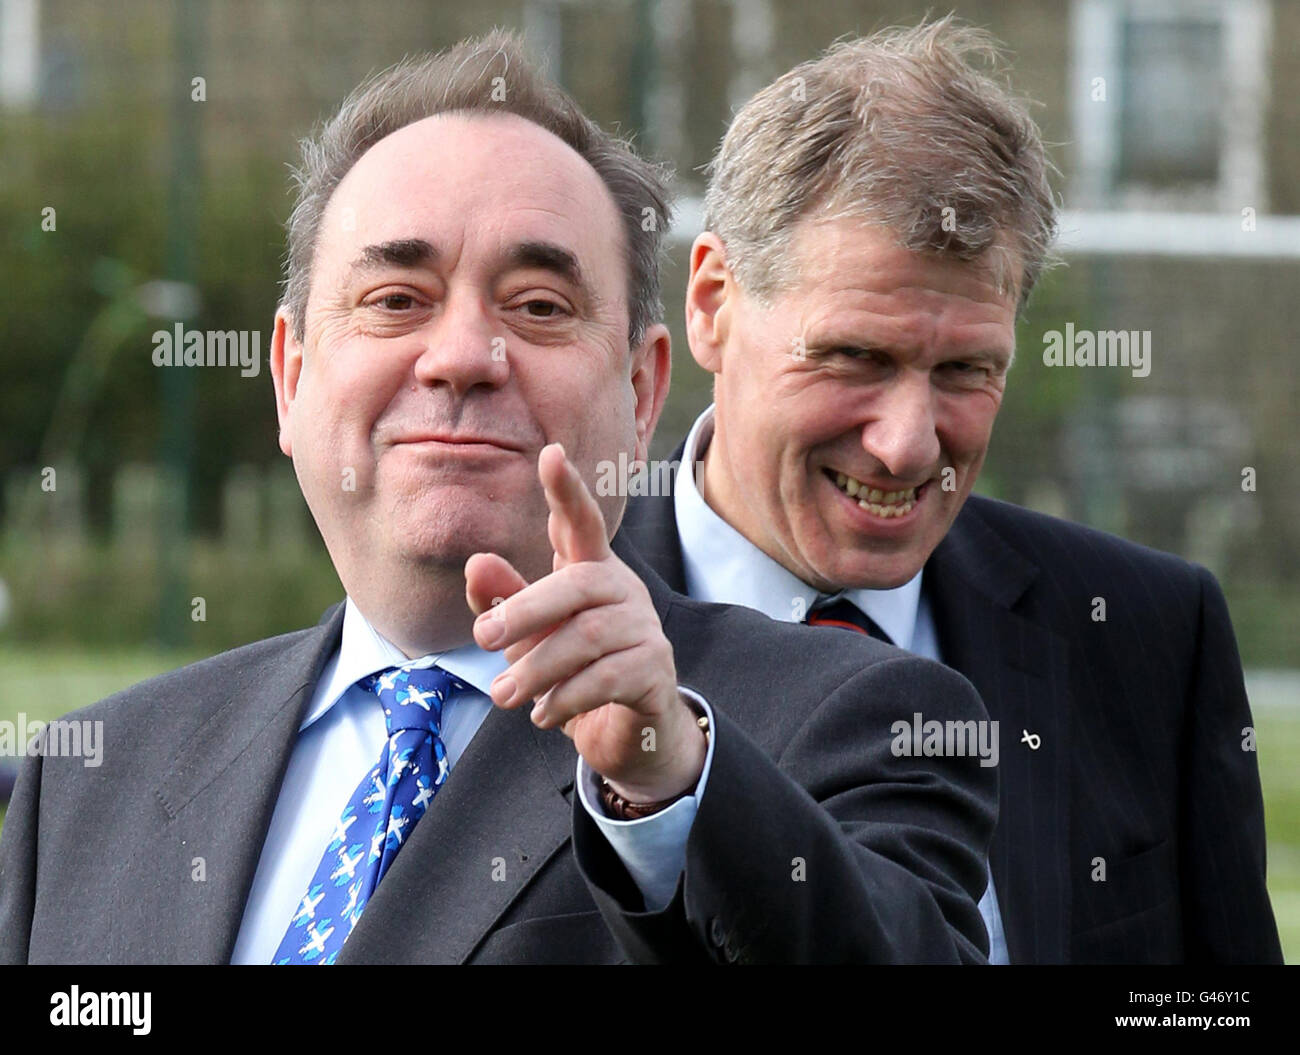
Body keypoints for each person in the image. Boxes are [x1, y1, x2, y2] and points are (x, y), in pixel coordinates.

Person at [0, 31, 997, 965]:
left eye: (538, 307)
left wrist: (669, 782)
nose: (464, 356)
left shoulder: (841, 722)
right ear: (291, 377)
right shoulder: (90, 778)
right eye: (396, 299)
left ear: (643, 391)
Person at [621, 17, 1283, 964]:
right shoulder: (526, 640)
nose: (905, 444)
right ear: (712, 303)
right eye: (855, 356)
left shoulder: (1148, 637)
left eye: (967, 369)